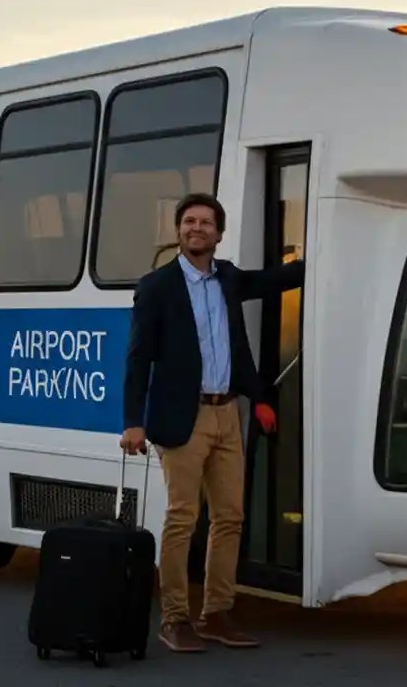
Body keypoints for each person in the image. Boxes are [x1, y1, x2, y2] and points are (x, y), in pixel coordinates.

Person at [119, 192, 305, 654]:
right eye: (188, 221)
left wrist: (325, 249)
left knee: (230, 518)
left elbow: (274, 282)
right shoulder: (157, 287)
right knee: (183, 518)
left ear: (219, 235)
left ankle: (217, 613)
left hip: (227, 413)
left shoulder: (227, 278)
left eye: (205, 222)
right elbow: (138, 358)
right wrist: (133, 422)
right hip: (183, 417)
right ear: (179, 231)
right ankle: (175, 619)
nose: (196, 228)